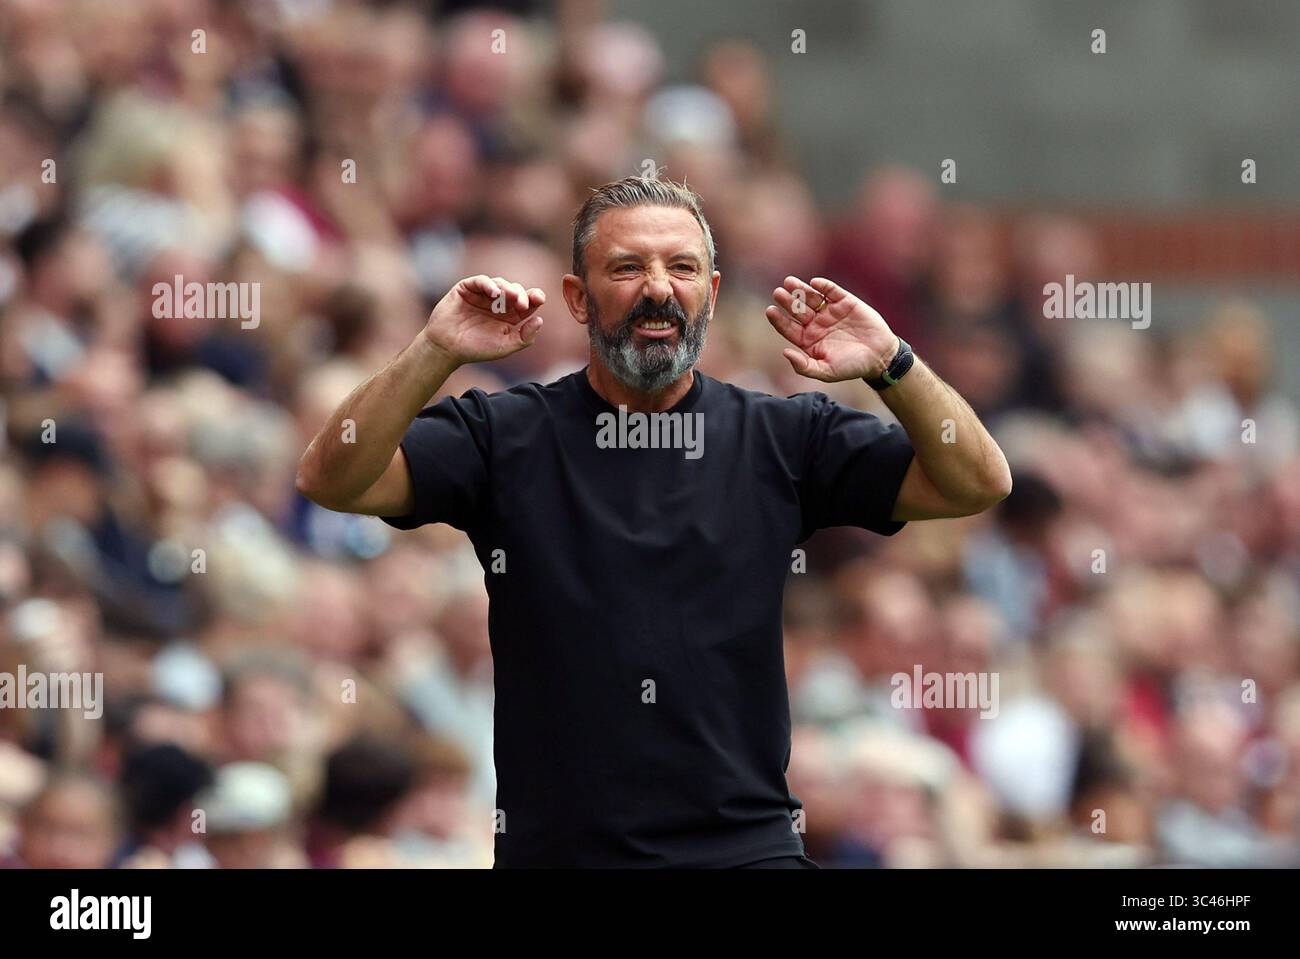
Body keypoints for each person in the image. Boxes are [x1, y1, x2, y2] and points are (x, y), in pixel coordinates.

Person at [296, 175, 1012, 867]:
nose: (660, 287)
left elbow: (976, 480)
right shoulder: (503, 435)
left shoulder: (783, 437)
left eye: (683, 266)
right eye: (628, 267)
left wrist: (892, 362)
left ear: (712, 291)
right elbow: (333, 478)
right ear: (578, 297)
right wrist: (435, 350)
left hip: (744, 852)